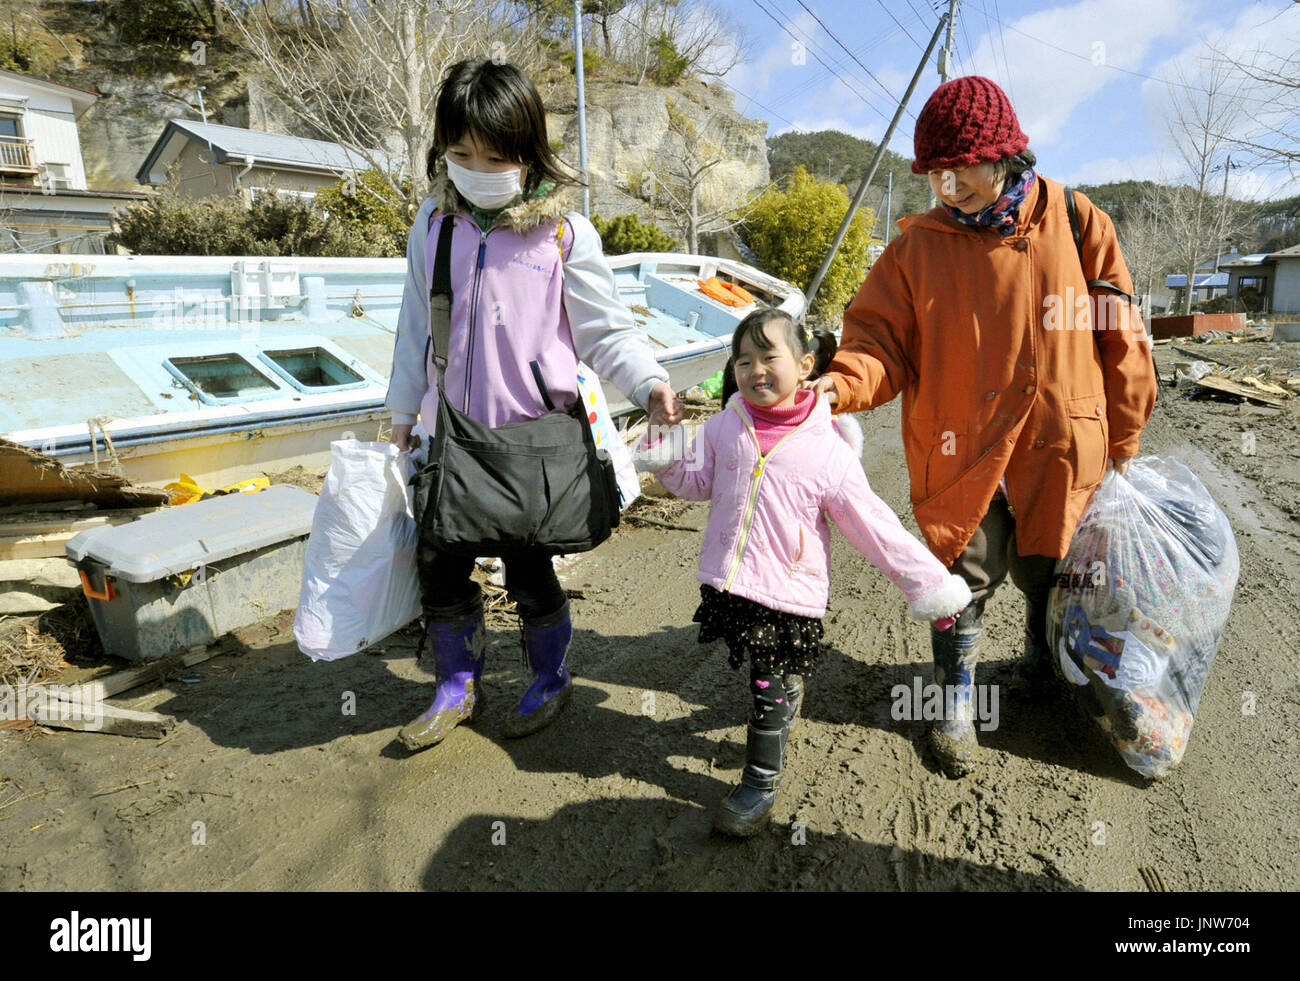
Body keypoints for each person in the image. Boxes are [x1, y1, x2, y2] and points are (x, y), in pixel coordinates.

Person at [809, 75, 1158, 778]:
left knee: (1051, 565)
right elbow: (876, 344)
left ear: (1004, 156)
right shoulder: (915, 250)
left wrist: (1125, 435)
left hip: (1058, 441)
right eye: (934, 173)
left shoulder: (1078, 221)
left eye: (959, 168)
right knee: (958, 575)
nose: (946, 186)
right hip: (961, 446)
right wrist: (837, 386)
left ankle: (1040, 660)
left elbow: (1123, 334)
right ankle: (956, 699)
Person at [385, 59, 684, 751]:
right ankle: (456, 684)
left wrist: (649, 382)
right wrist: (403, 416)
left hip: (529, 437)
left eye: (495, 156)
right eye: (460, 154)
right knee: (440, 564)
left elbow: (605, 328)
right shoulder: (433, 226)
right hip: (450, 438)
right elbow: (410, 330)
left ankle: (549, 676)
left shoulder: (562, 234)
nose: (476, 168)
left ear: (527, 151)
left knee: (529, 569)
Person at [636, 308, 971, 835]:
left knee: (764, 685)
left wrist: (931, 589)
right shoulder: (727, 425)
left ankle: (760, 780)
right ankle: (788, 691)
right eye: (743, 360)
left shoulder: (828, 455)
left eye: (769, 356)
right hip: (737, 582)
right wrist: (664, 442)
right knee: (761, 670)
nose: (754, 370)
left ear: (805, 364)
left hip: (789, 595)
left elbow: (877, 530)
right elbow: (695, 481)